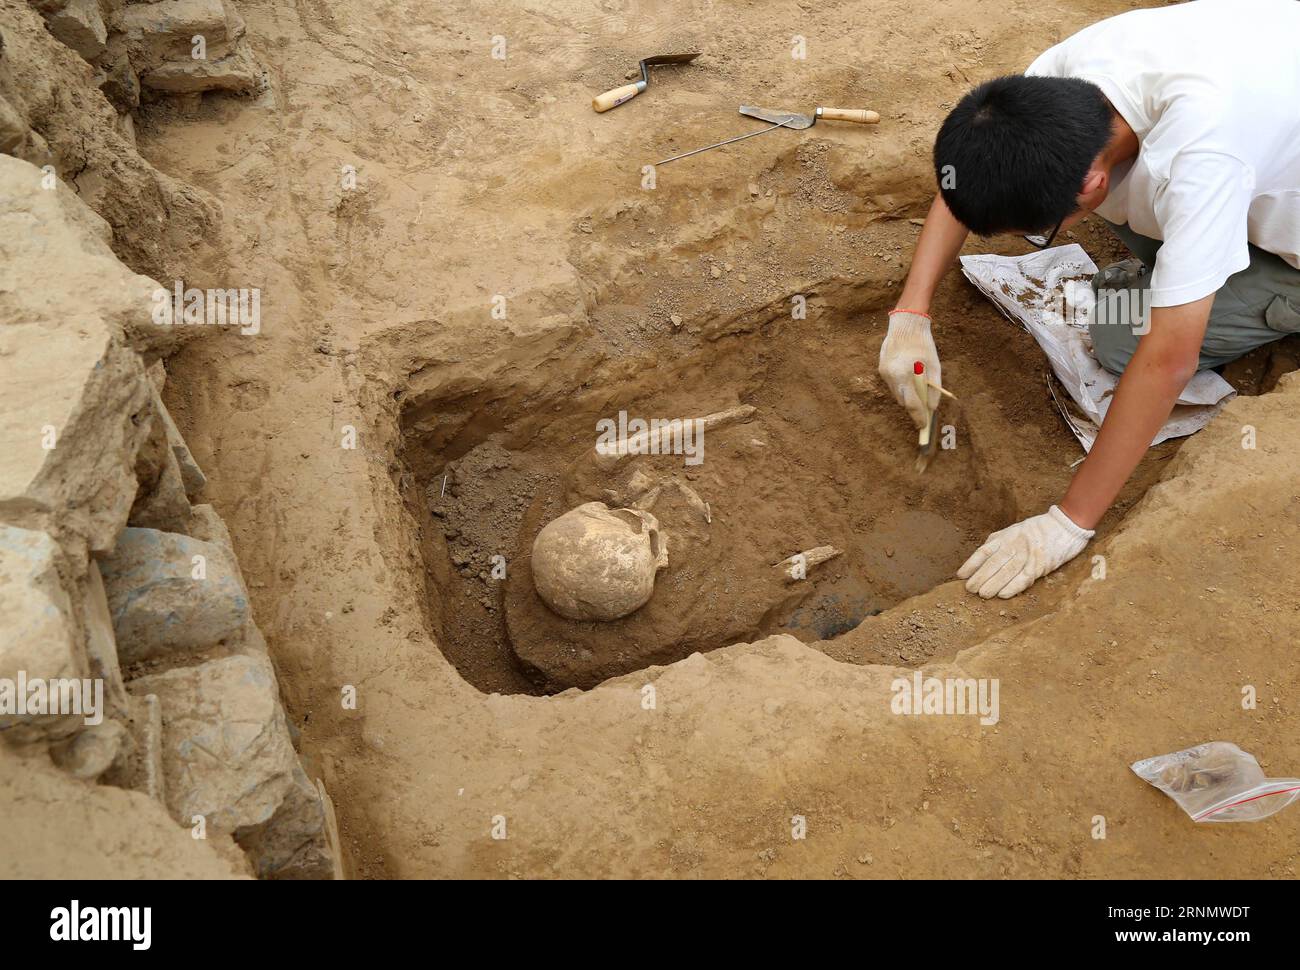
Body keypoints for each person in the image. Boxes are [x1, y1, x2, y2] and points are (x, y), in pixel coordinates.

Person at [880, 0, 1300, 599]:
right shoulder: (1060, 83)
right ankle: (1190, 267)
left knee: (1121, 337)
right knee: (1153, 248)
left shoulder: (1201, 162)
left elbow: (1168, 361)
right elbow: (973, 177)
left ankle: (1248, 286)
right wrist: (910, 315)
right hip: (1269, 129)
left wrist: (1065, 525)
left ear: (1091, 183)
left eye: (1039, 231)